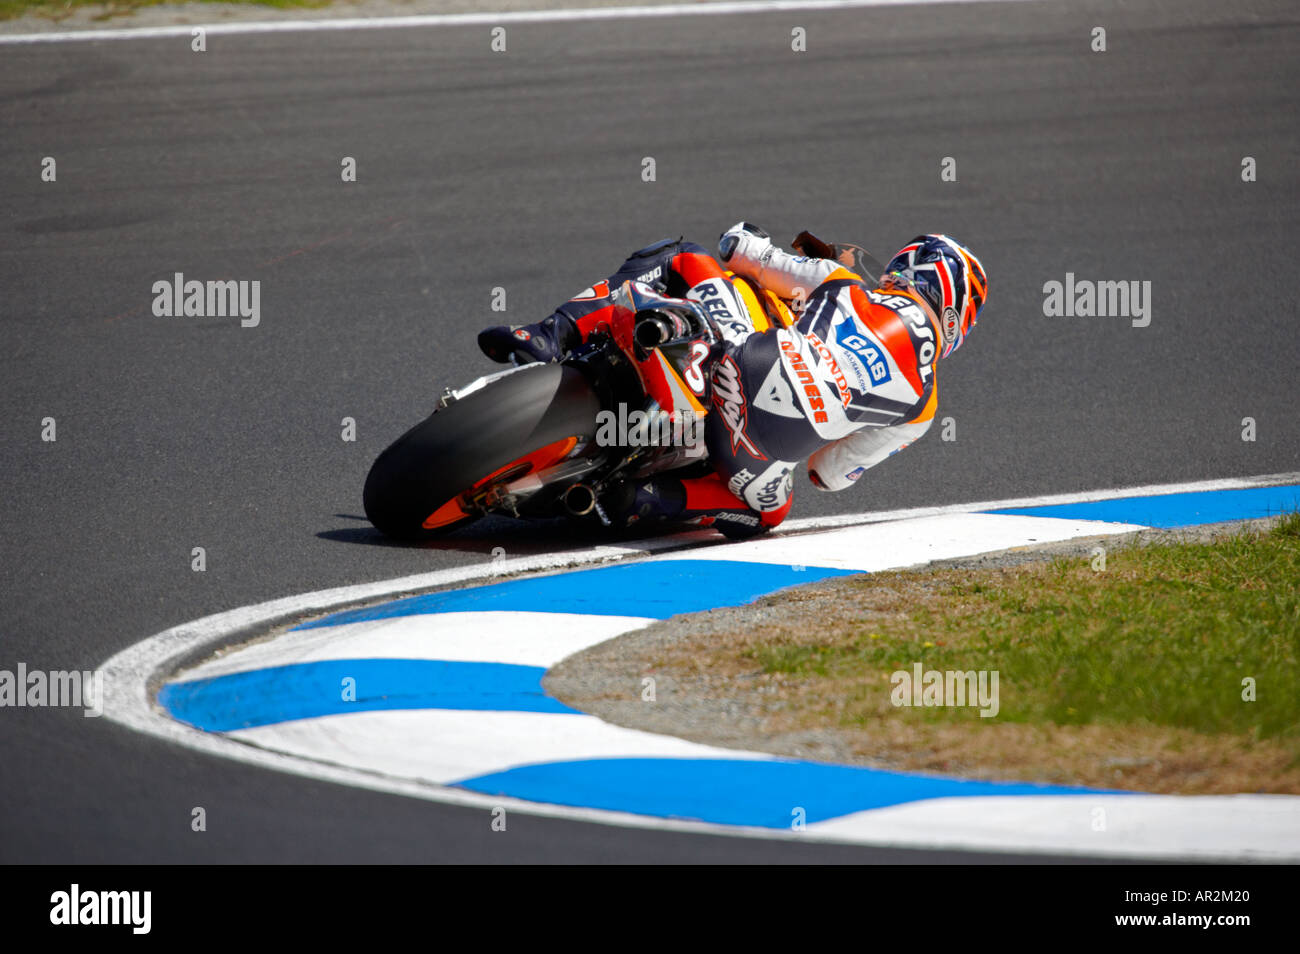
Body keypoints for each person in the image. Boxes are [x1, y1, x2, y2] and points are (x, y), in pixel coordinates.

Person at [477, 223, 987, 538]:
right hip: (753, 455)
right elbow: (827, 475)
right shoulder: (923, 408)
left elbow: (742, 252)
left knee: (683, 254)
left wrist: (751, 238)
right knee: (772, 513)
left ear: (910, 269)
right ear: (955, 315)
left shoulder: (846, 284)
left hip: (737, 365)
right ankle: (640, 500)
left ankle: (548, 333)